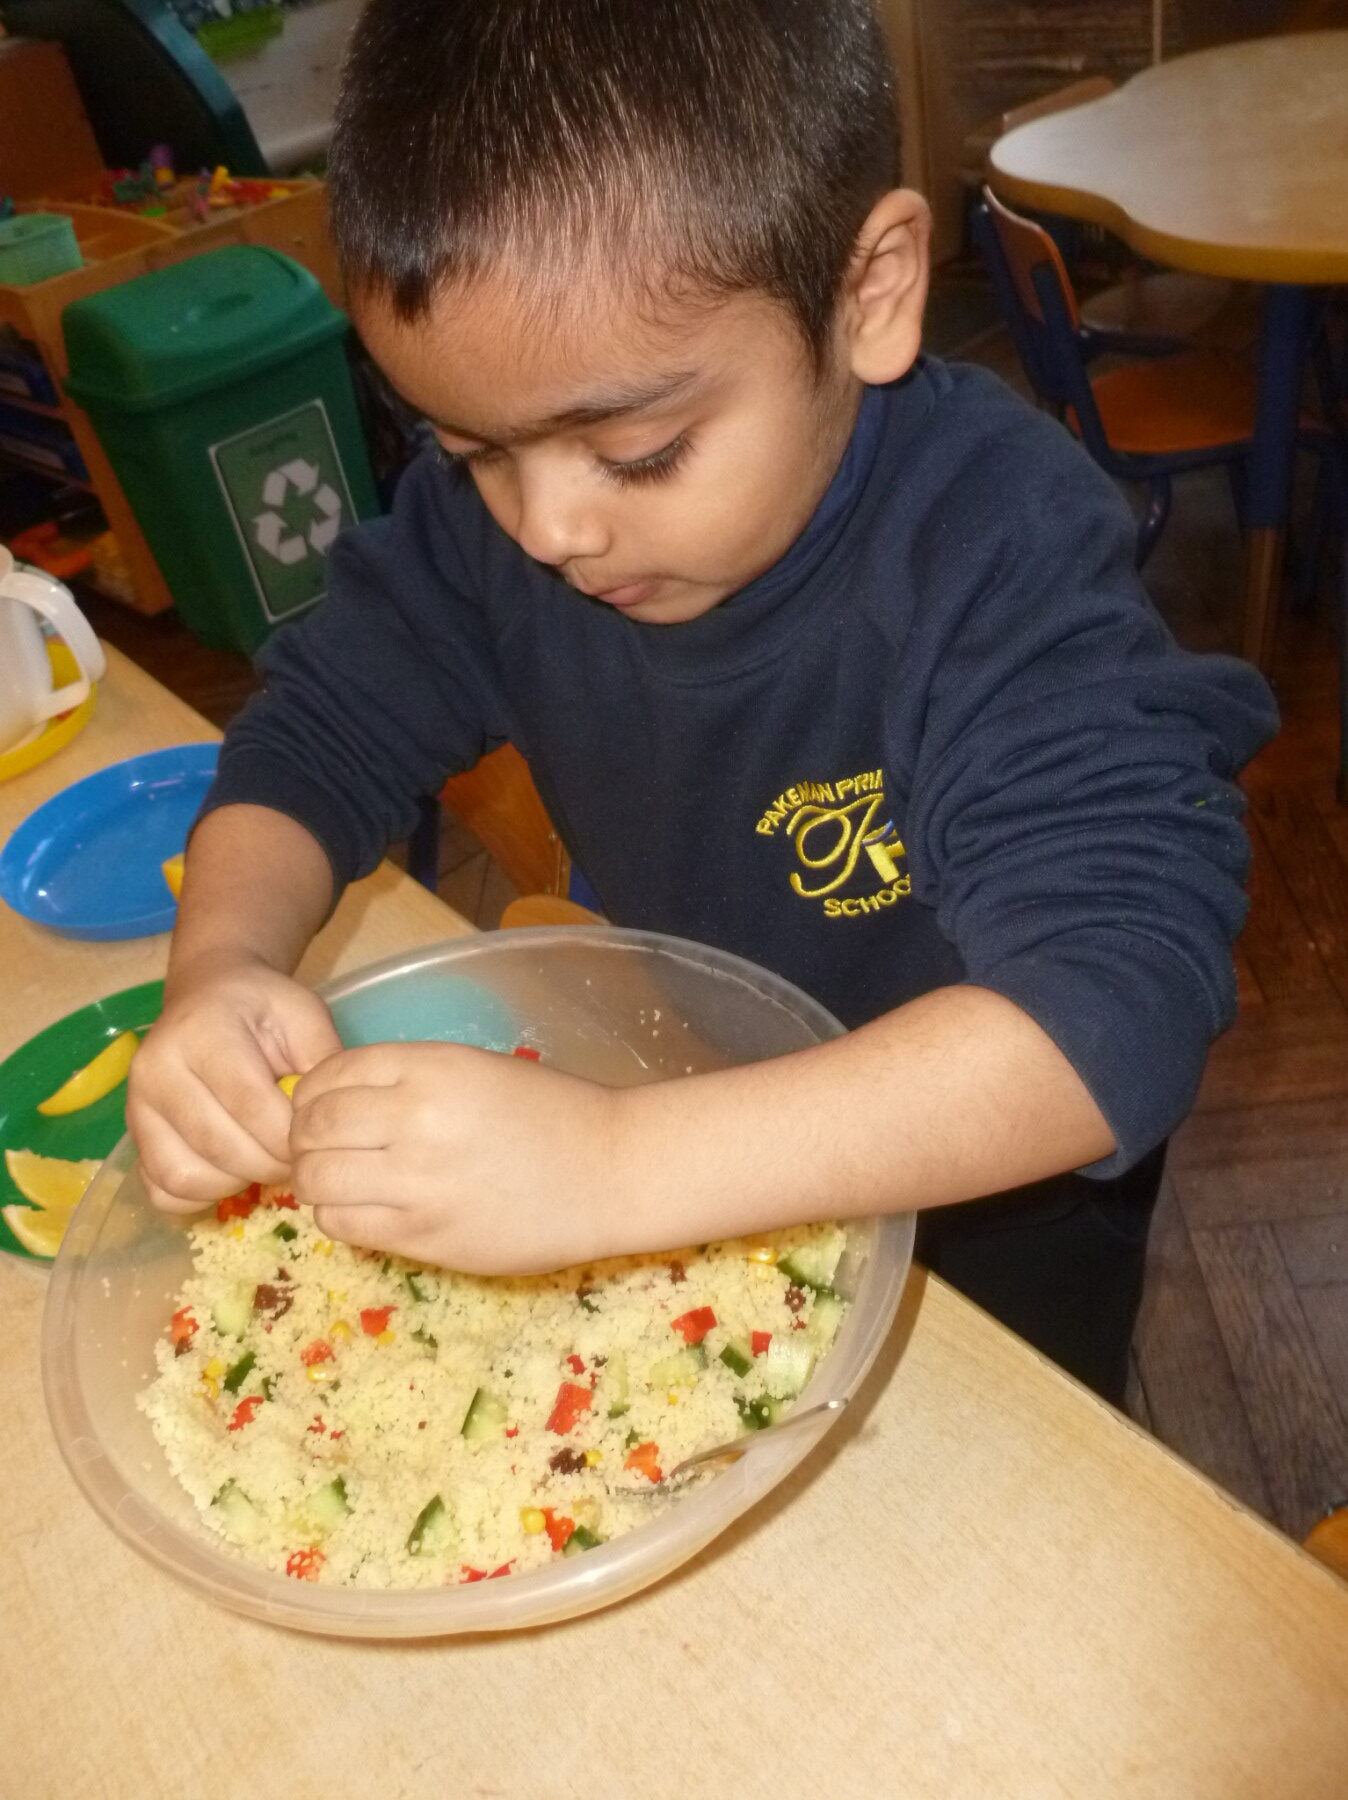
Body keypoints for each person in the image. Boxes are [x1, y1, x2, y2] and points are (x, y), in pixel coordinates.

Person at [127, 0, 1277, 1404]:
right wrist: (222, 971)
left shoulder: (991, 549)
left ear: (867, 296)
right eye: (473, 447)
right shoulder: (504, 517)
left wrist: (612, 1167)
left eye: (643, 451)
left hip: (991, 1218)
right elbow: (315, 734)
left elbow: (1114, 1006)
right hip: (670, 1111)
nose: (547, 524)